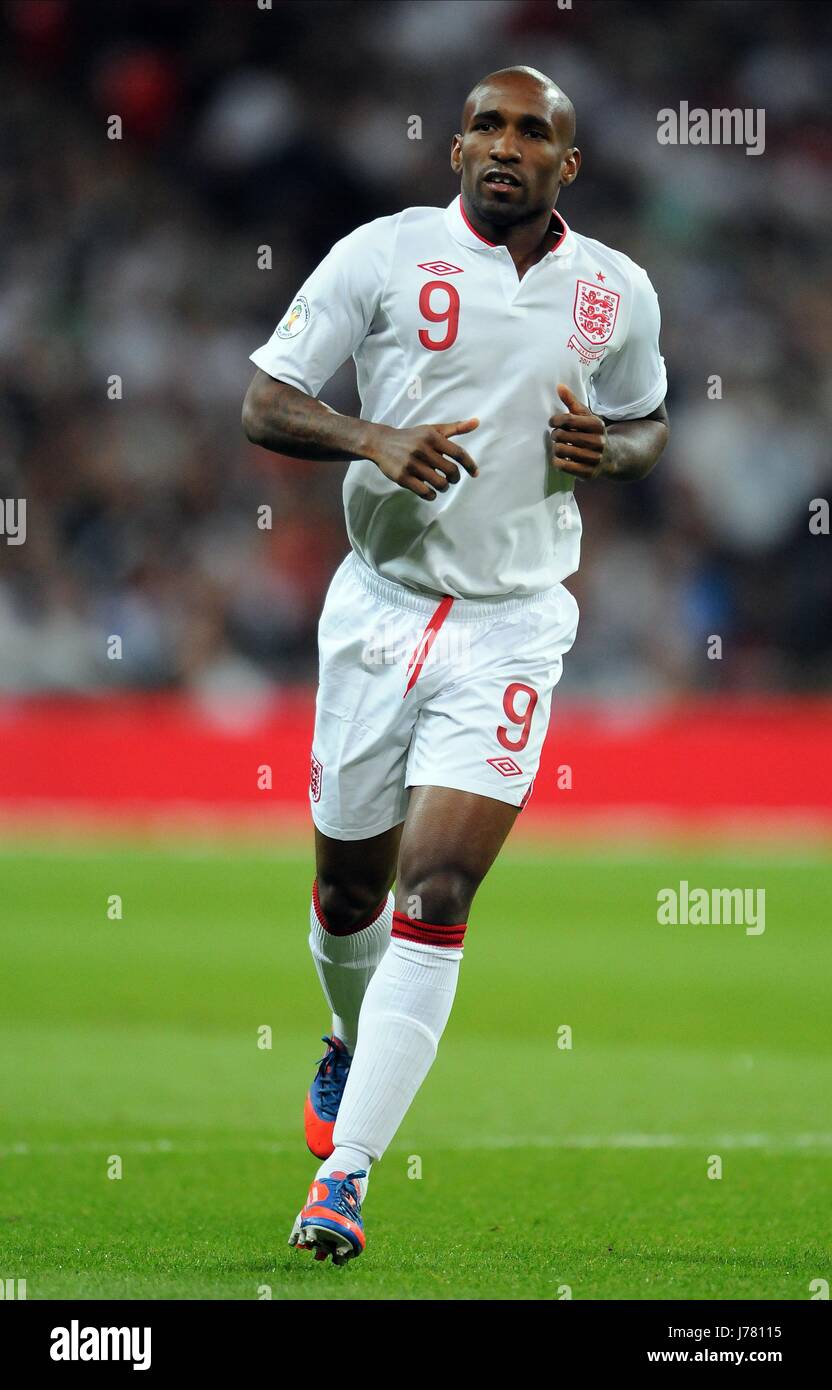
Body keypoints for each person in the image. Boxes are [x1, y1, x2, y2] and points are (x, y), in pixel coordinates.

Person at [242, 65, 669, 1264]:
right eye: (485, 124)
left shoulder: (614, 291)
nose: (505, 145)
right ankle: (345, 1033)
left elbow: (647, 420)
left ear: (564, 167)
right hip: (377, 611)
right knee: (348, 897)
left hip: (514, 624)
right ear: (454, 149)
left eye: (532, 133)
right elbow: (263, 402)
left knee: (436, 893)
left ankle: (347, 1176)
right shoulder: (381, 256)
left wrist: (612, 448)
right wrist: (368, 435)